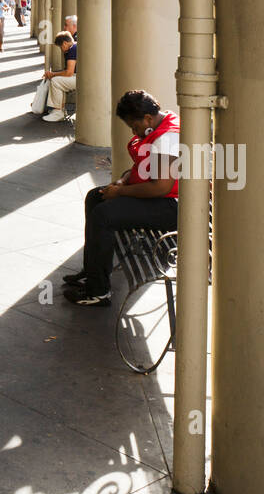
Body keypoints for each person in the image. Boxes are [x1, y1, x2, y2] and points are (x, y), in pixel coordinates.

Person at [63, 89, 180, 305]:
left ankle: (98, 292)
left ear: (147, 118)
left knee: (103, 215)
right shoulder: (159, 126)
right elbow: (144, 168)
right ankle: (92, 271)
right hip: (160, 198)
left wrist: (120, 192)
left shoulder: (168, 138)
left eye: (135, 127)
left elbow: (161, 187)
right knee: (95, 197)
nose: (134, 133)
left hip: (171, 206)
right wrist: (123, 180)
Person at [41, 31, 77, 121]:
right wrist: (53, 74)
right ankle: (60, 109)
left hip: (80, 78)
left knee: (56, 81)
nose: (61, 49)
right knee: (58, 80)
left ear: (65, 43)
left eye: (61, 47)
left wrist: (52, 74)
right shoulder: (74, 47)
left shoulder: (72, 49)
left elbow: (69, 72)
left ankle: (58, 112)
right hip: (80, 76)